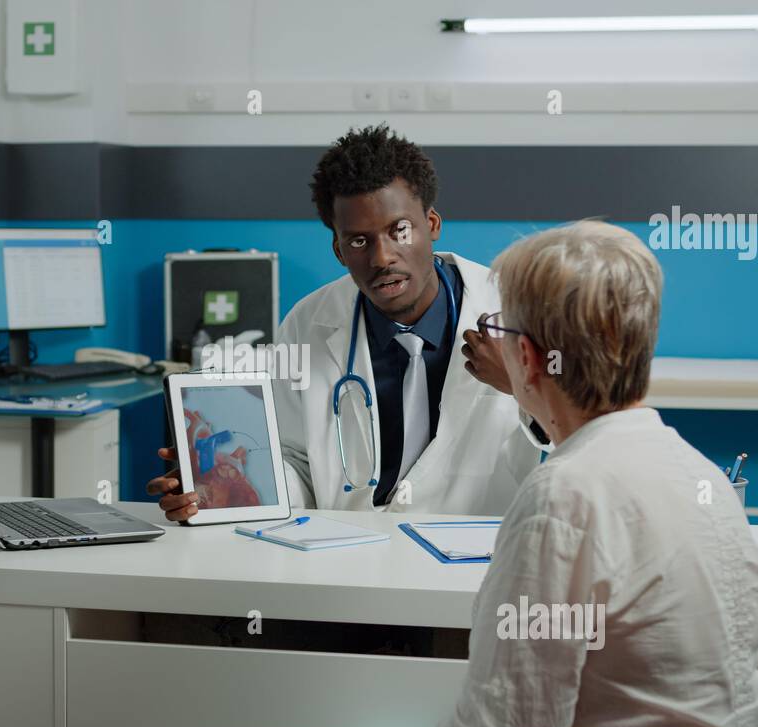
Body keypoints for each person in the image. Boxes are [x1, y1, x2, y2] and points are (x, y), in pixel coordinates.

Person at [444, 221, 758, 727]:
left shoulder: (562, 501)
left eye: (501, 327)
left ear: (527, 359)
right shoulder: (703, 477)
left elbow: (505, 720)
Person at [149, 124, 547, 521]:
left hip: (474, 557)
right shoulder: (308, 323)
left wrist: (523, 388)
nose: (382, 257)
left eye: (400, 231)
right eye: (359, 241)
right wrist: (231, 491)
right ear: (339, 250)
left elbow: (586, 443)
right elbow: (296, 460)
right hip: (351, 551)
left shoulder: (516, 313)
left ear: (433, 224)